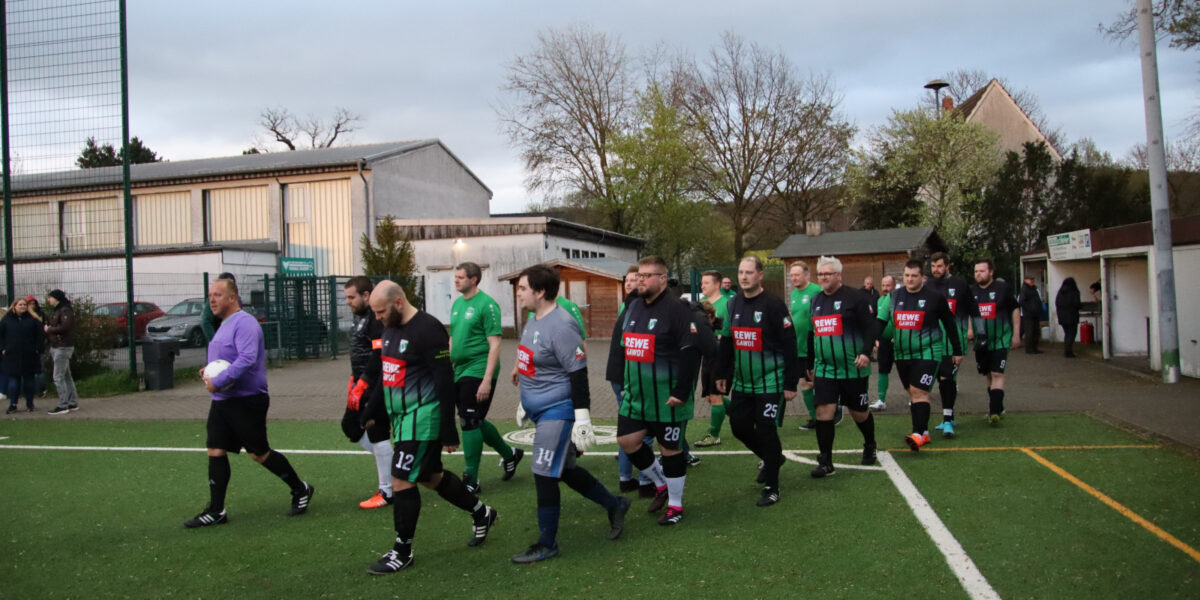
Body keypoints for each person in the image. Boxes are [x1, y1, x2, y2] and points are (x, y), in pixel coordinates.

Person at [361, 280, 497, 575]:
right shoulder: (389, 329)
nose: (377, 318)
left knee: (400, 480)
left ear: (398, 303)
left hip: (424, 419)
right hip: (402, 419)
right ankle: (482, 513)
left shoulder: (428, 329)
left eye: (381, 311)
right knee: (429, 476)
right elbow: (387, 376)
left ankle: (402, 550)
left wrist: (448, 429)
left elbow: (444, 380)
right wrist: (369, 411)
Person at [508, 264, 631, 563]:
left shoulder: (561, 325)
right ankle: (614, 504)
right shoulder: (533, 318)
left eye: (523, 287)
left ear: (540, 292)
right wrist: (526, 400)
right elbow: (533, 361)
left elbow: (578, 374)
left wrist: (582, 418)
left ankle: (547, 543)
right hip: (540, 408)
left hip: (558, 410)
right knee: (562, 469)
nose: (518, 292)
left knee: (542, 472)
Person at [184, 278, 314, 528]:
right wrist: (209, 371)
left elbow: (246, 359)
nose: (212, 299)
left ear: (232, 298)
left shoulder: (245, 323)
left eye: (218, 295)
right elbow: (226, 358)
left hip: (247, 400)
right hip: (222, 400)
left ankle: (301, 489)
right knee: (215, 449)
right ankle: (216, 510)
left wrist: (220, 379)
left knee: (259, 453)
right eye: (210, 295)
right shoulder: (223, 324)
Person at [618, 256, 703, 525]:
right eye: (639, 275)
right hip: (636, 397)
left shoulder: (678, 310)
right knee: (627, 441)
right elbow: (626, 348)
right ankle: (661, 484)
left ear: (663, 279)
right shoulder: (632, 307)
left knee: (670, 450)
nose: (641, 280)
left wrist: (681, 390)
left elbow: (690, 351)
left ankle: (675, 506)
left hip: (667, 398)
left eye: (647, 276)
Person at [716, 256, 799, 507]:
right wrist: (723, 374)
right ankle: (772, 458)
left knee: (765, 429)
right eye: (741, 272)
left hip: (770, 380)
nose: (743, 277)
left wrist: (790, 383)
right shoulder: (732, 305)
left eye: (749, 272)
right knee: (739, 427)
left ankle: (772, 487)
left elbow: (789, 342)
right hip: (743, 381)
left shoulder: (774, 305)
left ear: (760, 275)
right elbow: (728, 341)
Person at [450, 262, 523, 493]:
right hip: (459, 370)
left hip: (479, 369)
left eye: (461, 277)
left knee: (469, 420)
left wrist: (486, 379)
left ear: (474, 280)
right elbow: (453, 338)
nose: (456, 280)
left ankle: (470, 478)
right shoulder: (457, 304)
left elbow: (495, 344)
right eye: (456, 276)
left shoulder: (488, 305)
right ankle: (510, 454)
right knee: (475, 420)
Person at [806, 256, 881, 476]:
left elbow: (871, 327)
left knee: (858, 412)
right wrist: (810, 363)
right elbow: (813, 334)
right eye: (820, 274)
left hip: (852, 368)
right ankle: (825, 461)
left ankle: (869, 444)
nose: (823, 278)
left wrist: (866, 353)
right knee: (823, 412)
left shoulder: (855, 298)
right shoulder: (816, 301)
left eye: (827, 274)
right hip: (825, 369)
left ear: (839, 275)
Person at [889, 260, 963, 451]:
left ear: (922, 277)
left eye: (914, 276)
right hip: (902, 354)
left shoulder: (935, 298)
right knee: (913, 393)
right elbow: (886, 322)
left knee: (920, 392)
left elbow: (949, 324)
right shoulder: (895, 296)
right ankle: (924, 433)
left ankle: (918, 433)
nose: (910, 279)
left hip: (929, 351)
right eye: (906, 276)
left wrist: (957, 350)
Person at [342, 276, 395, 509]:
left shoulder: (375, 319)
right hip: (362, 385)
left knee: (376, 430)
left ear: (366, 295)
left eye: (352, 297)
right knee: (350, 426)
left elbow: (378, 355)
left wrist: (363, 382)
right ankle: (395, 467)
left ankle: (387, 490)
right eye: (346, 298)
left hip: (377, 385)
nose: (348, 302)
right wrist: (353, 382)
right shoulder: (360, 318)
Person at [607, 266, 654, 495]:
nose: (631, 282)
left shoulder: (629, 304)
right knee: (639, 431)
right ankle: (645, 482)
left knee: (628, 429)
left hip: (622, 374)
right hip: (627, 376)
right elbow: (630, 345)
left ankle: (627, 479)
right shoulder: (635, 305)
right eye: (630, 279)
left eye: (636, 279)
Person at [926, 252, 975, 438]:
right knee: (943, 380)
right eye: (933, 266)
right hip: (933, 342)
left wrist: (973, 331)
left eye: (939, 266)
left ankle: (947, 420)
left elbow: (973, 309)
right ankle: (950, 415)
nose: (936, 270)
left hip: (954, 342)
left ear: (948, 266)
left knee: (947, 378)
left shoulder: (960, 284)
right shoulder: (928, 285)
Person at [970, 260, 1021, 424]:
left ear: (991, 272)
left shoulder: (1002, 289)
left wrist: (1016, 334)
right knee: (989, 375)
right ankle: (998, 405)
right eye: (976, 271)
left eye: (982, 271)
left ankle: (994, 411)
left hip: (1001, 339)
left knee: (998, 373)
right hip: (981, 341)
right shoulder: (971, 291)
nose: (979, 274)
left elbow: (1015, 310)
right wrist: (970, 330)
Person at [787, 261, 824, 430]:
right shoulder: (794, 294)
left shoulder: (816, 291)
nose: (794, 278)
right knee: (805, 383)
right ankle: (816, 418)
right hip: (799, 347)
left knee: (818, 381)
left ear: (807, 275)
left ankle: (830, 411)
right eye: (792, 275)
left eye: (797, 274)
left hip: (815, 346)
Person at [694, 270, 729, 448]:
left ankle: (713, 434)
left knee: (716, 396)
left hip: (721, 357)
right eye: (702, 283)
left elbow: (729, 332)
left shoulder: (728, 304)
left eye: (706, 282)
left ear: (717, 284)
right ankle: (743, 414)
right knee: (710, 397)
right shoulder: (701, 305)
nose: (702, 286)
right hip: (706, 357)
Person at [1, 297, 44, 414]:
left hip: (29, 355)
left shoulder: (33, 320)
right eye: (20, 305)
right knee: (14, 381)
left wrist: (37, 349)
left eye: (25, 305)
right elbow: (1, 335)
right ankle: (13, 404)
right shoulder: (6, 320)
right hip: (12, 355)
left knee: (29, 380)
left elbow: (40, 336)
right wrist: (3, 348)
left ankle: (30, 404)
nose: (23, 306)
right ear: (14, 306)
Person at [44, 289, 79, 415]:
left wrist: (49, 330)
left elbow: (65, 327)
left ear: (56, 298)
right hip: (57, 346)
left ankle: (63, 404)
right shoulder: (59, 310)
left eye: (50, 298)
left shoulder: (65, 310)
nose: (49, 300)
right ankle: (72, 402)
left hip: (62, 347)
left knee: (58, 377)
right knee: (66, 375)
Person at [869, 275, 896, 411]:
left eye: (888, 286)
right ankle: (881, 400)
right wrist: (876, 340)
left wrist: (897, 336)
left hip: (898, 342)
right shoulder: (879, 301)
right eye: (883, 285)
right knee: (882, 370)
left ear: (894, 286)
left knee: (907, 370)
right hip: (884, 342)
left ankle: (913, 399)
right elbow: (877, 321)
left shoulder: (898, 300)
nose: (885, 288)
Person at [200, 272, 238, 344]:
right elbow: (205, 322)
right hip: (222, 344)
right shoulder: (214, 300)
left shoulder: (236, 299)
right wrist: (216, 342)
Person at [26, 296, 47, 399]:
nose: (32, 306)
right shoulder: (25, 317)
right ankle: (32, 390)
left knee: (40, 369)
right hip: (28, 347)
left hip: (38, 346)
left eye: (34, 303)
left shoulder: (40, 316)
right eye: (30, 304)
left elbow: (42, 332)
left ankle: (41, 390)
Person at [1056, 278, 1082, 358]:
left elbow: (1057, 303)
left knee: (1067, 334)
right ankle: (1068, 352)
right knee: (1072, 334)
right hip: (1072, 317)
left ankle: (1067, 351)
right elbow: (1077, 304)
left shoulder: (1060, 293)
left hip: (1062, 317)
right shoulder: (1074, 292)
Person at [1019, 276, 1043, 355]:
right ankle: (1029, 349)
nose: (1032, 281)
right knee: (1029, 332)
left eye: (1033, 279)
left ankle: (1035, 348)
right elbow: (1022, 301)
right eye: (1030, 279)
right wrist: (1029, 309)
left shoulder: (1034, 289)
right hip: (1028, 315)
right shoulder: (1025, 289)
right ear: (1026, 280)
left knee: (1036, 331)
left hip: (1035, 314)